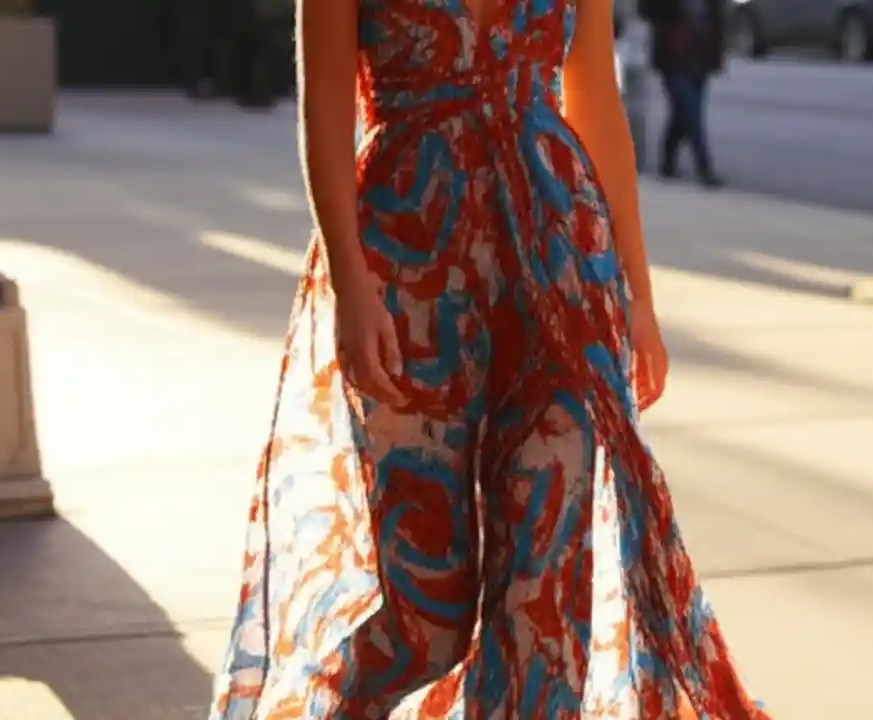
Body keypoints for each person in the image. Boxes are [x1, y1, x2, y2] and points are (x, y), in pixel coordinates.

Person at [207, 0, 768, 715]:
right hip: (410, 280)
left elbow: (594, 97)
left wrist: (638, 295)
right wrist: (351, 286)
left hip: (560, 272)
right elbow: (324, 111)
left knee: (544, 591)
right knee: (427, 620)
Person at [641, 0, 726, 187]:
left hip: (700, 56)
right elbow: (648, 9)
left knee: (681, 115)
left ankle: (668, 162)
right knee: (692, 114)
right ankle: (704, 168)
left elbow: (717, 17)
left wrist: (716, 56)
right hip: (674, 59)